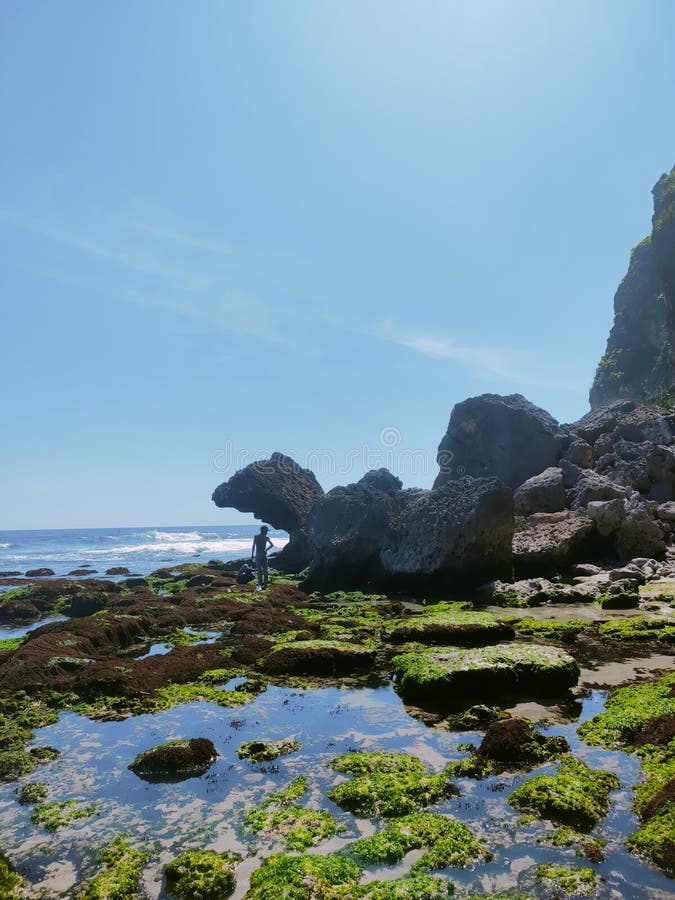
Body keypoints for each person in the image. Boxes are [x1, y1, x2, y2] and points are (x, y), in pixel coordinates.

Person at [251, 525, 273, 591]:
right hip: (264, 554)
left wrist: (252, 555)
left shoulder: (256, 537)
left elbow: (253, 546)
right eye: (266, 531)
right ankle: (265, 585)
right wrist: (266, 549)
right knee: (265, 570)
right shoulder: (266, 538)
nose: (267, 532)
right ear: (264, 531)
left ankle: (260, 584)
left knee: (259, 571)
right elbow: (272, 545)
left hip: (258, 554)